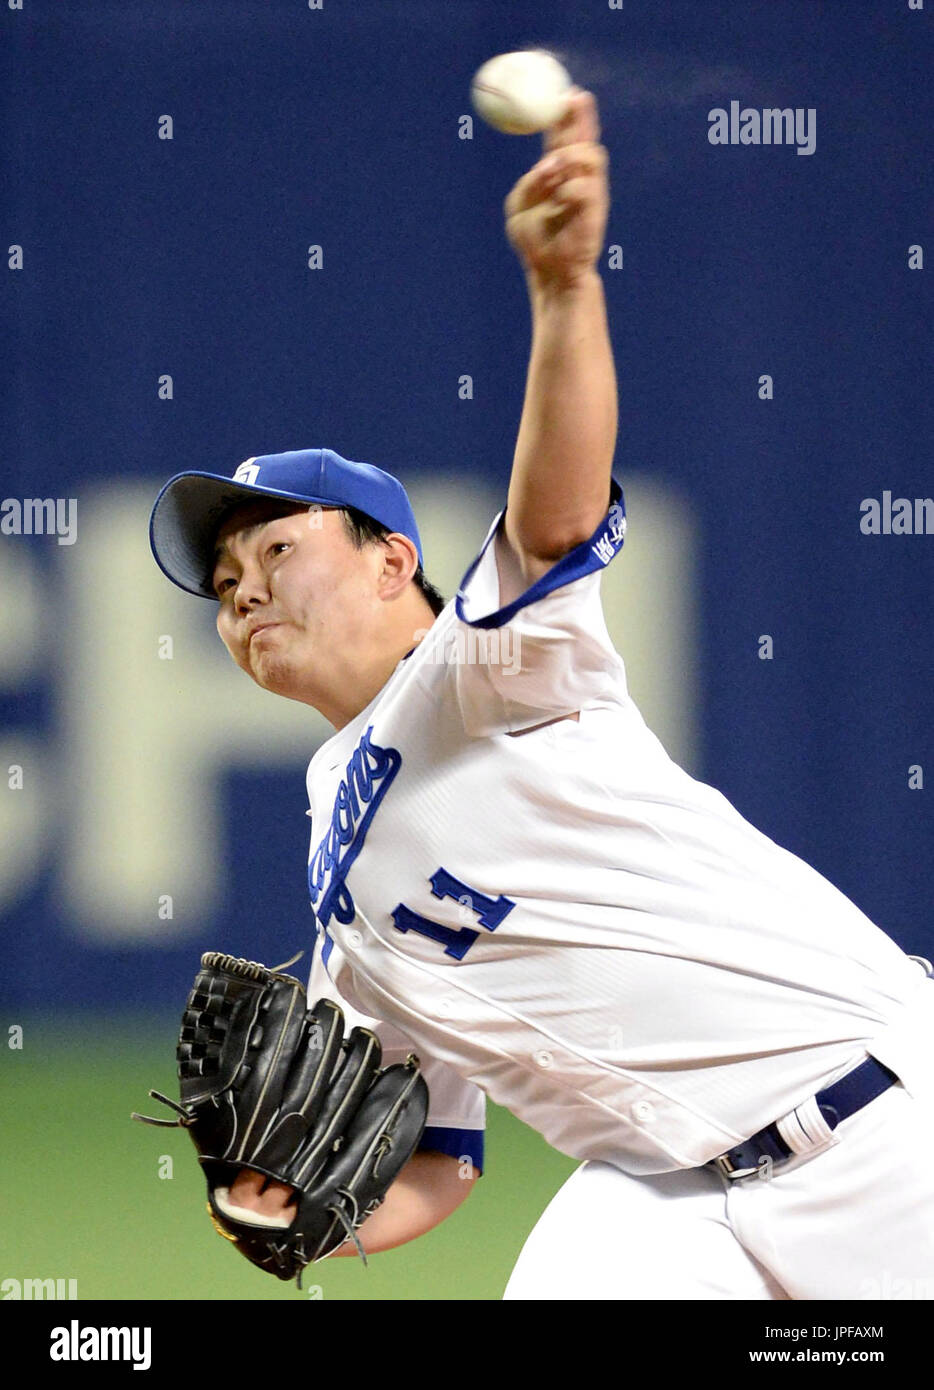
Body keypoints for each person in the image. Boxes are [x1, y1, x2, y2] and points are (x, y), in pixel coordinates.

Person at [149, 91, 934, 1300]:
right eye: (222, 581)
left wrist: (566, 289)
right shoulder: (338, 871)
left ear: (392, 559)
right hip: (666, 1191)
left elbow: (557, 516)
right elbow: (438, 1155)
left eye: (277, 549)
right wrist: (295, 1212)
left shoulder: (485, 670)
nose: (242, 591)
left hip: (886, 1124)